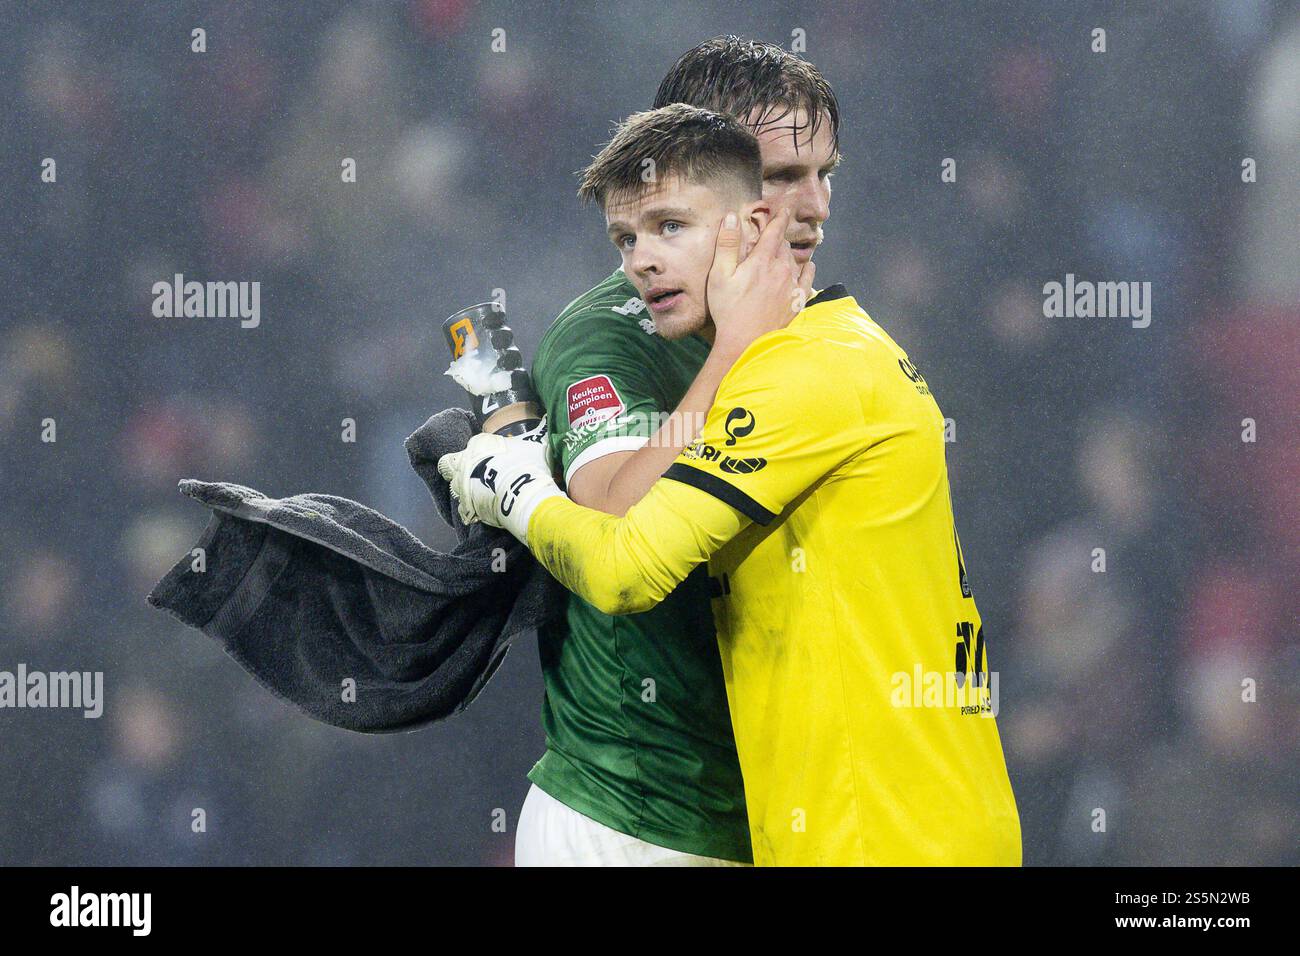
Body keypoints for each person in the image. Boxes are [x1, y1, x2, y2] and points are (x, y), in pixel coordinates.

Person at [442, 104, 1023, 866]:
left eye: (670, 227)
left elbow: (622, 567)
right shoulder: (841, 341)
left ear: (752, 224)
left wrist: (517, 491)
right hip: (905, 821)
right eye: (626, 240)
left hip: (881, 838)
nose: (641, 261)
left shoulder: (795, 377)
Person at [517, 37, 838, 866]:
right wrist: (731, 355)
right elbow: (616, 521)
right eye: (781, 175)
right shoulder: (607, 338)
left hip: (766, 814)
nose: (812, 206)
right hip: (632, 822)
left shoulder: (805, 322)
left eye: (823, 173)